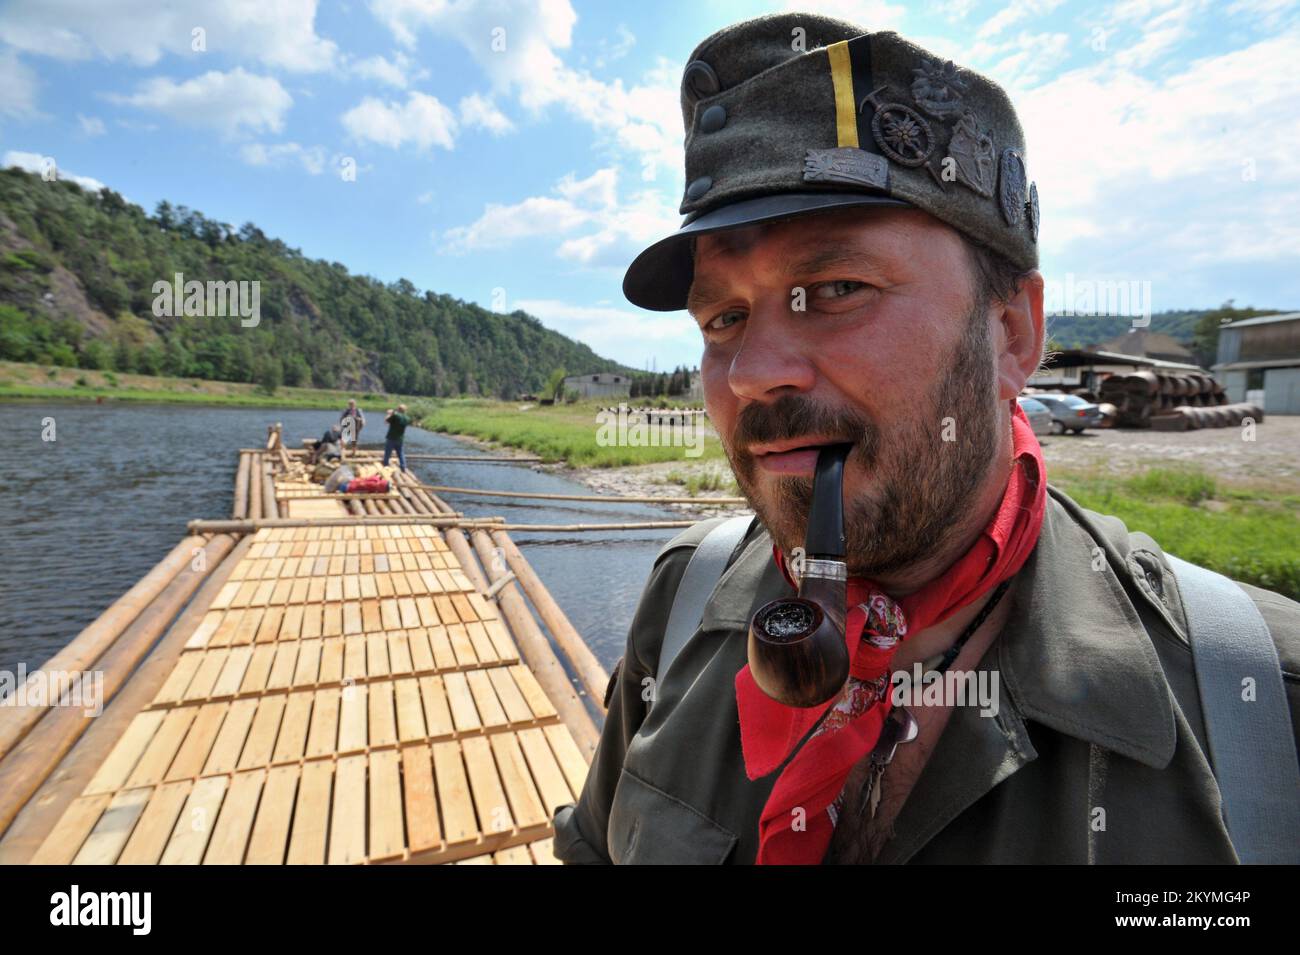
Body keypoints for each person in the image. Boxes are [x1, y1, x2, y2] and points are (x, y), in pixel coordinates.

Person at [552, 13, 1300, 865]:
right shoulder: (682, 599)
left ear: (1013, 333)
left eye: (835, 286)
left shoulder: (1259, 710)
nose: (752, 372)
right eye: (724, 317)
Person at [383, 404, 411, 471]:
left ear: (399, 409)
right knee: (400, 453)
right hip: (400, 438)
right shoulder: (407, 418)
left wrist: (389, 414)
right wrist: (393, 413)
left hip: (391, 437)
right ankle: (403, 466)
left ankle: (386, 464)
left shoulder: (395, 416)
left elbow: (386, 421)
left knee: (388, 452)